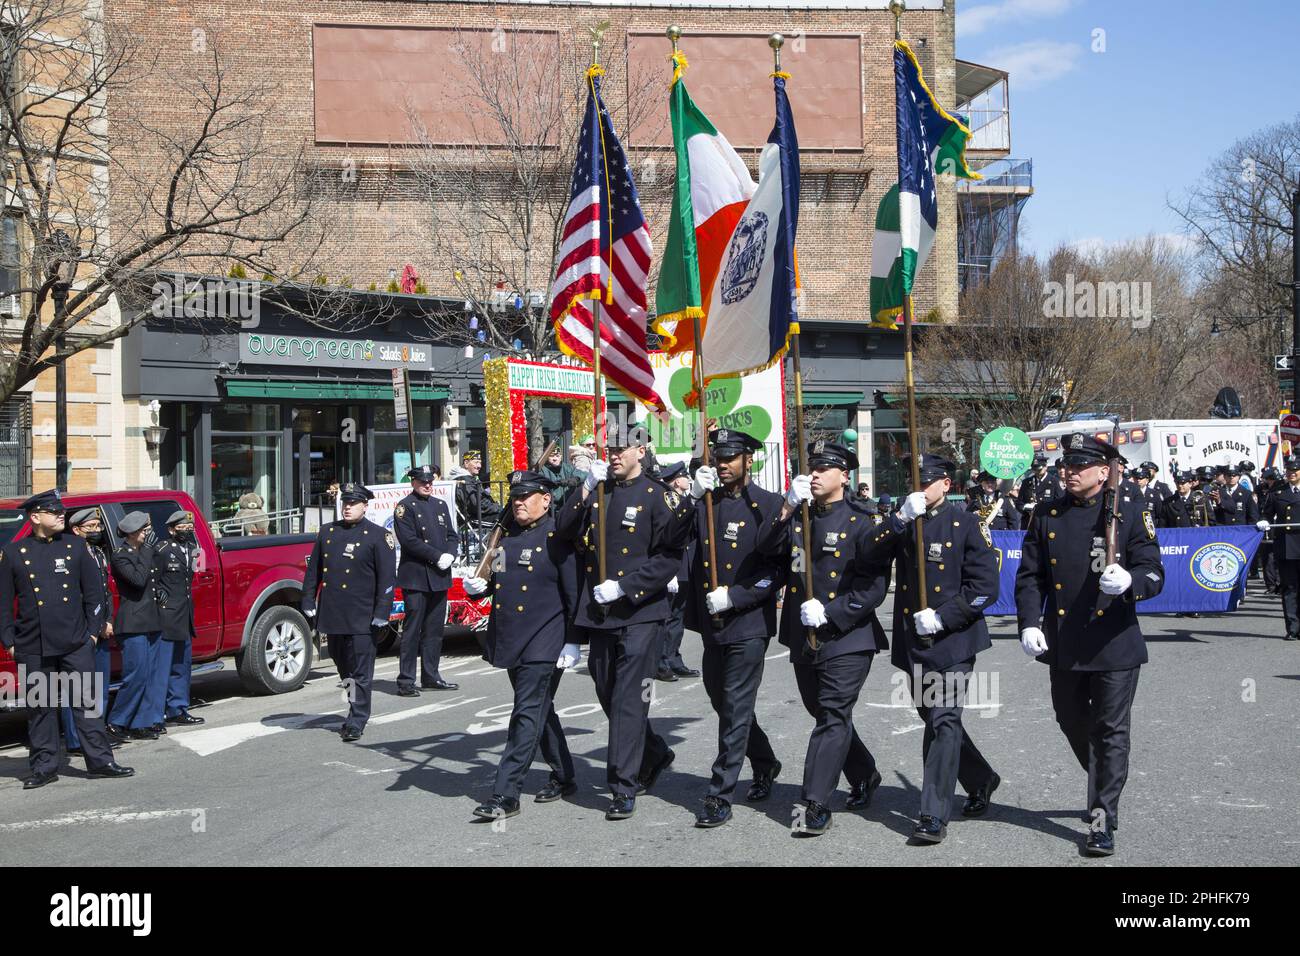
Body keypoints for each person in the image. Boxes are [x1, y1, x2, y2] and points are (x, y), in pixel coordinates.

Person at [1015, 433, 1165, 856]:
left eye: (1079, 465)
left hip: (1113, 642)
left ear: (1104, 471)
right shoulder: (1047, 514)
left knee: (1110, 730)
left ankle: (1101, 819)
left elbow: (1154, 570)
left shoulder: (1128, 511)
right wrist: (1028, 623)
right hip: (1065, 640)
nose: (1069, 471)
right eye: (1066, 464)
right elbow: (1030, 577)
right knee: (1070, 719)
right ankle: (1104, 777)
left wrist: (1132, 581)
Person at [555, 423, 693, 820]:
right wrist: (584, 489)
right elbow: (564, 532)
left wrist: (625, 586)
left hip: (640, 611)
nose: (614, 455)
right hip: (601, 614)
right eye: (610, 449)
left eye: (621, 449)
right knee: (606, 691)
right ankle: (654, 752)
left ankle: (622, 785)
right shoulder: (599, 491)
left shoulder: (659, 497)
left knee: (629, 699)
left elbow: (669, 557)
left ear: (641, 451)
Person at [871, 454, 1001, 844]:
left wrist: (944, 617)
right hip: (914, 641)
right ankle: (980, 778)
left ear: (946, 484)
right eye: (913, 481)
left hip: (953, 640)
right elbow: (867, 554)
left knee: (943, 722)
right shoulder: (904, 520)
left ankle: (932, 814)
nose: (919, 488)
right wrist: (898, 520)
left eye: (926, 481)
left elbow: (985, 588)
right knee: (935, 719)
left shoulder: (966, 524)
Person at [764, 440, 890, 837]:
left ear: (844, 476)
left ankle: (815, 802)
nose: (814, 474)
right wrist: (785, 509)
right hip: (804, 634)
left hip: (847, 636)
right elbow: (766, 553)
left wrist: (833, 612)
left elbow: (873, 587)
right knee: (821, 711)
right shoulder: (799, 516)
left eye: (824, 468)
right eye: (812, 467)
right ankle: (864, 773)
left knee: (832, 714)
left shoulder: (862, 521)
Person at [462, 470, 581, 819]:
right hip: (513, 638)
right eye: (515, 497)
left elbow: (574, 594)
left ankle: (505, 794)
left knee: (525, 713)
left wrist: (574, 641)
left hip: (545, 640)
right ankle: (564, 774)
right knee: (539, 709)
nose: (518, 502)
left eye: (525, 496)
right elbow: (497, 580)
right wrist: (478, 588)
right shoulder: (506, 537)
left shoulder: (558, 537)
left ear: (545, 499)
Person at [684, 429, 786, 827]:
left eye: (730, 457)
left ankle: (719, 793)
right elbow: (670, 538)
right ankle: (764, 760)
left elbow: (777, 570)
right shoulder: (705, 502)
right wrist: (691, 498)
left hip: (748, 621)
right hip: (713, 623)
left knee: (735, 708)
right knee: (723, 702)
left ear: (749, 460)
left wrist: (737, 596)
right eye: (718, 457)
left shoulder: (768, 505)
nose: (722, 464)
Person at [0, 490, 133, 788]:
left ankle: (100, 761)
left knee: (86, 704)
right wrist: (9, 641)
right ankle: (44, 766)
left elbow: (95, 594)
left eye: (61, 511)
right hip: (34, 644)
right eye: (53, 511)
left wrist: (91, 634)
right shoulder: (14, 553)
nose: (61, 515)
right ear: (35, 517)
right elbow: (3, 603)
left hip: (75, 642)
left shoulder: (75, 546)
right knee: (41, 708)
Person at [300, 483, 397, 741]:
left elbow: (387, 577)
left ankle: (357, 718)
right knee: (343, 665)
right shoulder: (328, 532)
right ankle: (354, 704)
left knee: (361, 671)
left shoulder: (378, 536)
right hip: (334, 613)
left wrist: (382, 611)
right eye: (345, 503)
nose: (347, 507)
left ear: (365, 506)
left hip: (362, 615)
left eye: (353, 503)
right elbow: (314, 571)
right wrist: (308, 599)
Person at [394, 464, 458, 695]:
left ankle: (431, 676)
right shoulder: (405, 507)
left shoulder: (440, 505)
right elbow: (409, 541)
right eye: (423, 482)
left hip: (439, 576)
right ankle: (406, 681)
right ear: (413, 483)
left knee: (434, 631)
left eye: (430, 481)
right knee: (412, 631)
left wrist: (451, 554)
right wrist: (437, 556)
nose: (428, 485)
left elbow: (452, 535)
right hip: (416, 577)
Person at [61, 507, 116, 756]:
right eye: (90, 527)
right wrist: (92, 627)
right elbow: (73, 597)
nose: (96, 530)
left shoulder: (98, 553)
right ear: (76, 530)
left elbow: (104, 592)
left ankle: (96, 736)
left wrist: (107, 620)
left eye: (98, 526)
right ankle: (76, 740)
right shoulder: (69, 555)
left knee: (99, 687)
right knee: (78, 689)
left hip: (100, 628)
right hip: (82, 631)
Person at [106, 511, 165, 741]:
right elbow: (138, 580)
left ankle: (142, 722)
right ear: (132, 533)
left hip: (151, 620)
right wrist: (148, 550)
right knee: (136, 675)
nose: (148, 534)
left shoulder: (144, 552)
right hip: (133, 623)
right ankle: (117, 721)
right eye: (144, 531)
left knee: (149, 675)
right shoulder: (121, 556)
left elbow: (154, 578)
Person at [155, 510, 205, 726]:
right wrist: (160, 596)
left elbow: (196, 575)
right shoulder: (162, 550)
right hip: (167, 616)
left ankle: (178, 709)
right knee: (162, 669)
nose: (186, 531)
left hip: (185, 615)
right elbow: (153, 579)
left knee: (182, 667)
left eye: (189, 528)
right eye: (182, 528)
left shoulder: (193, 549)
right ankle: (157, 715)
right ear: (171, 530)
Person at [654, 460, 699, 682]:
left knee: (678, 618)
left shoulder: (683, 500)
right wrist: (668, 570)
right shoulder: (669, 500)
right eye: (684, 476)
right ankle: (661, 662)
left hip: (685, 567)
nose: (687, 480)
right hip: (672, 567)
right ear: (676, 480)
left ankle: (673, 658)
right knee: (667, 616)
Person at [1259, 456, 1300, 640]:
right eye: (1289, 470)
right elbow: (1267, 513)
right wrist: (1264, 521)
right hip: (1287, 546)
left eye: (1295, 470)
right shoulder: (1278, 492)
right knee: (1290, 588)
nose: (1292, 473)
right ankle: (1293, 629)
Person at [540, 443, 583, 511]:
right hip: (549, 508)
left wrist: (576, 479)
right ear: (547, 457)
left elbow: (584, 475)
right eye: (551, 456)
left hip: (567, 506)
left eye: (557, 456)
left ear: (561, 457)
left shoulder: (567, 468)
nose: (555, 459)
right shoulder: (542, 470)